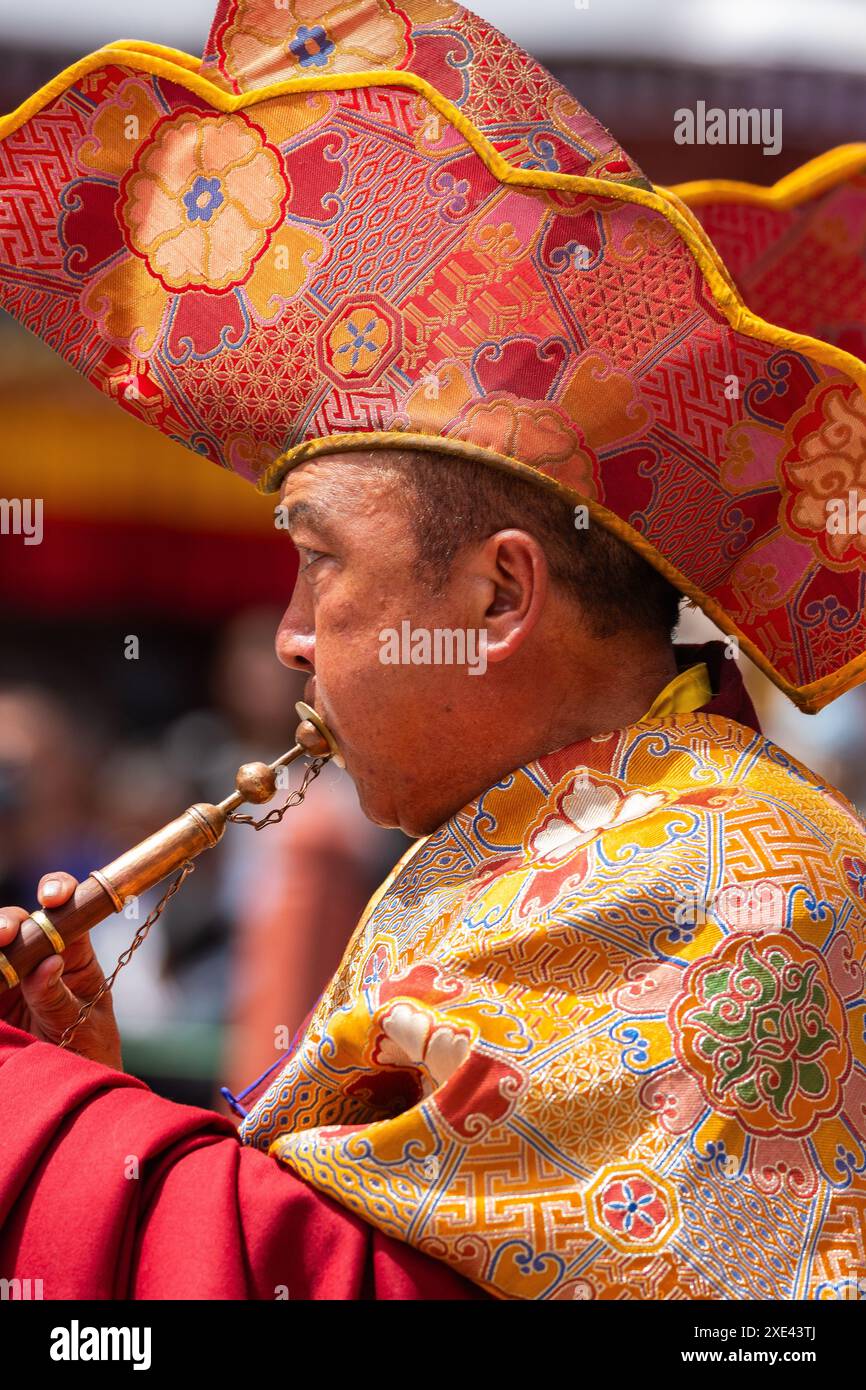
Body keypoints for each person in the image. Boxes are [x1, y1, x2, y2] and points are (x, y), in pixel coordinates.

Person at [1, 0, 865, 1301]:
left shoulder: (726, 869)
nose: (290, 637)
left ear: (495, 598)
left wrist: (38, 1114)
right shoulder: (533, 850)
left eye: (321, 559)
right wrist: (109, 1099)